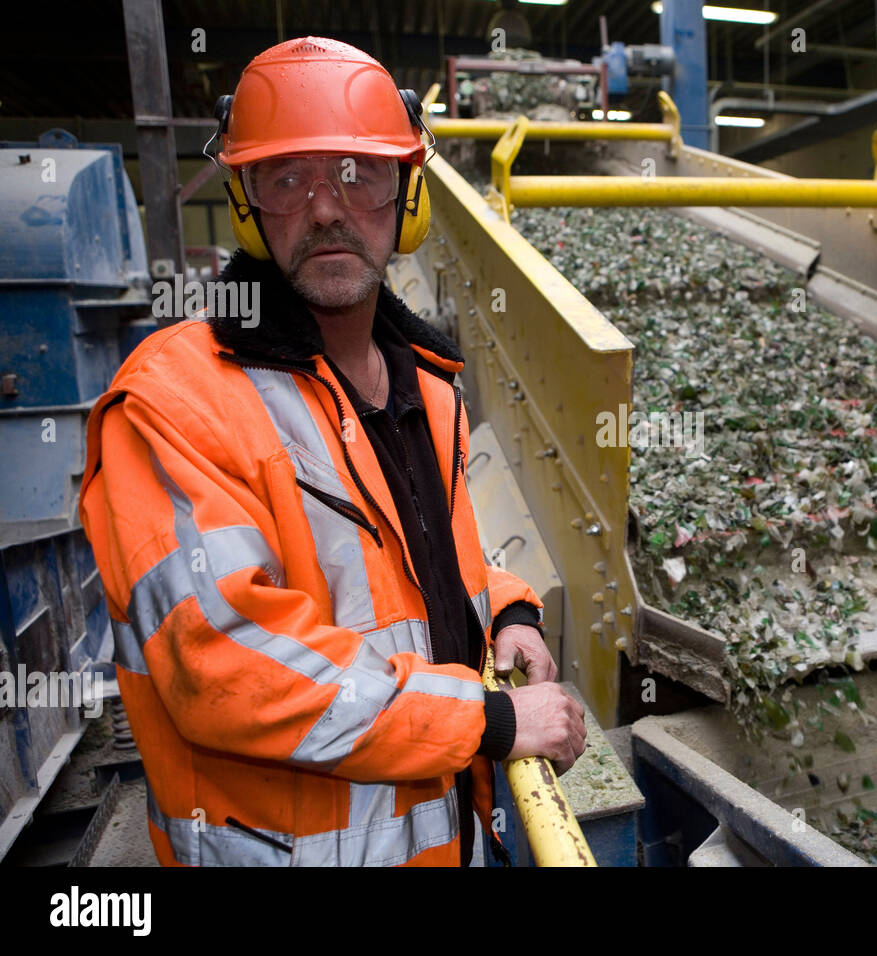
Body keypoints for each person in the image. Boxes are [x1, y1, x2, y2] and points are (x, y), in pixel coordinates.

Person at [77, 36, 585, 867]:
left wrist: (508, 611)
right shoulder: (171, 404)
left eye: (359, 172)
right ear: (244, 204)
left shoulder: (428, 390)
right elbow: (225, 662)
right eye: (285, 178)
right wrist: (489, 721)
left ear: (407, 196)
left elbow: (418, 572)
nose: (324, 208)